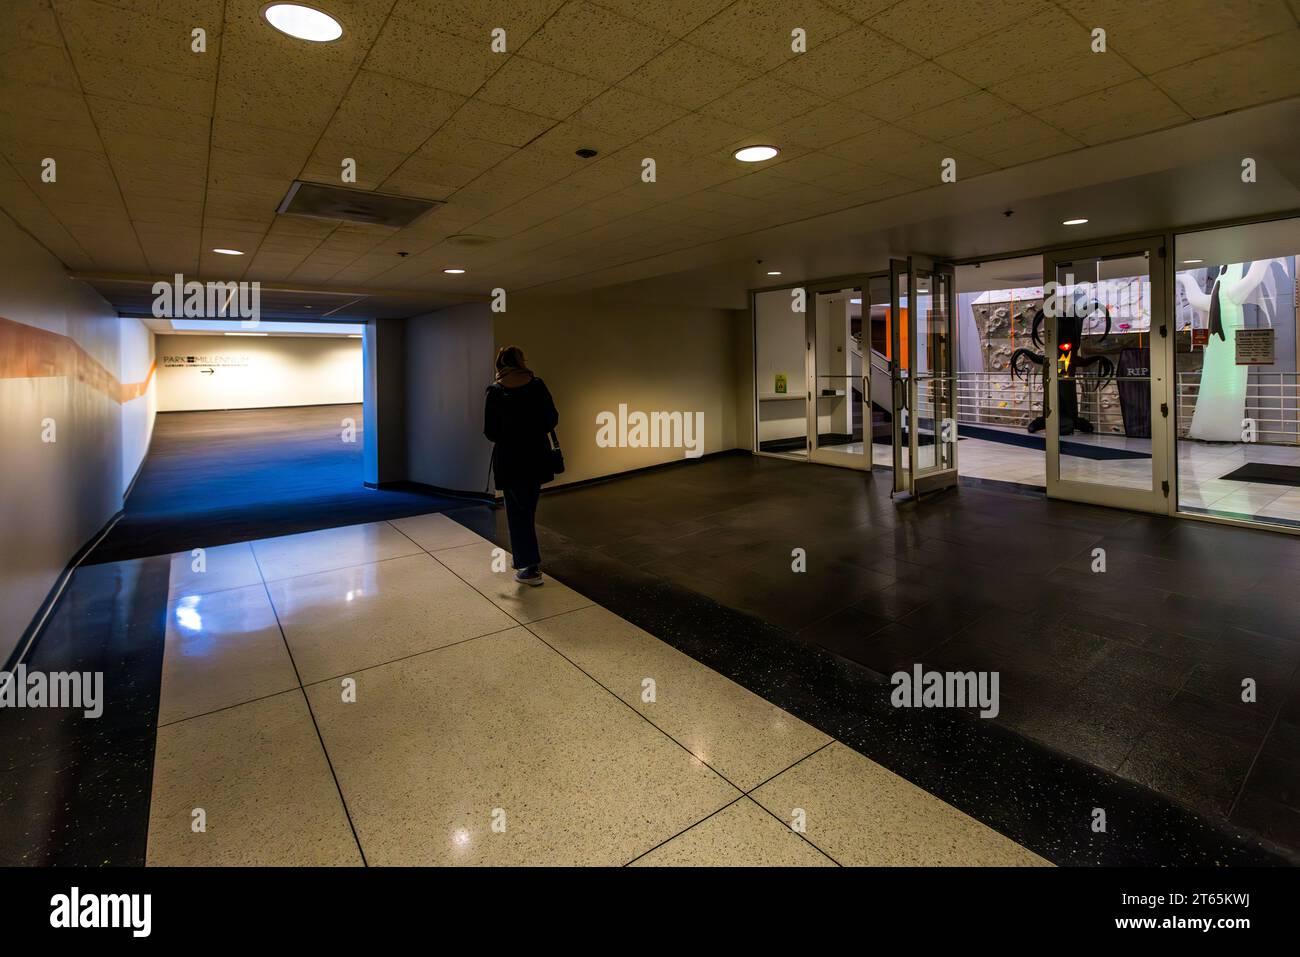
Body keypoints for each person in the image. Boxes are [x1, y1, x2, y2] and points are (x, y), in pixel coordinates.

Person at [483, 345, 558, 586]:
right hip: (536, 455)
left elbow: (490, 432)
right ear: (521, 362)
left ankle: (530, 567)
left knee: (517, 513)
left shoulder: (495, 391)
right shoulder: (537, 385)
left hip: (510, 458)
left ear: (500, 365)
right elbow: (551, 419)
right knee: (527, 509)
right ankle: (529, 564)